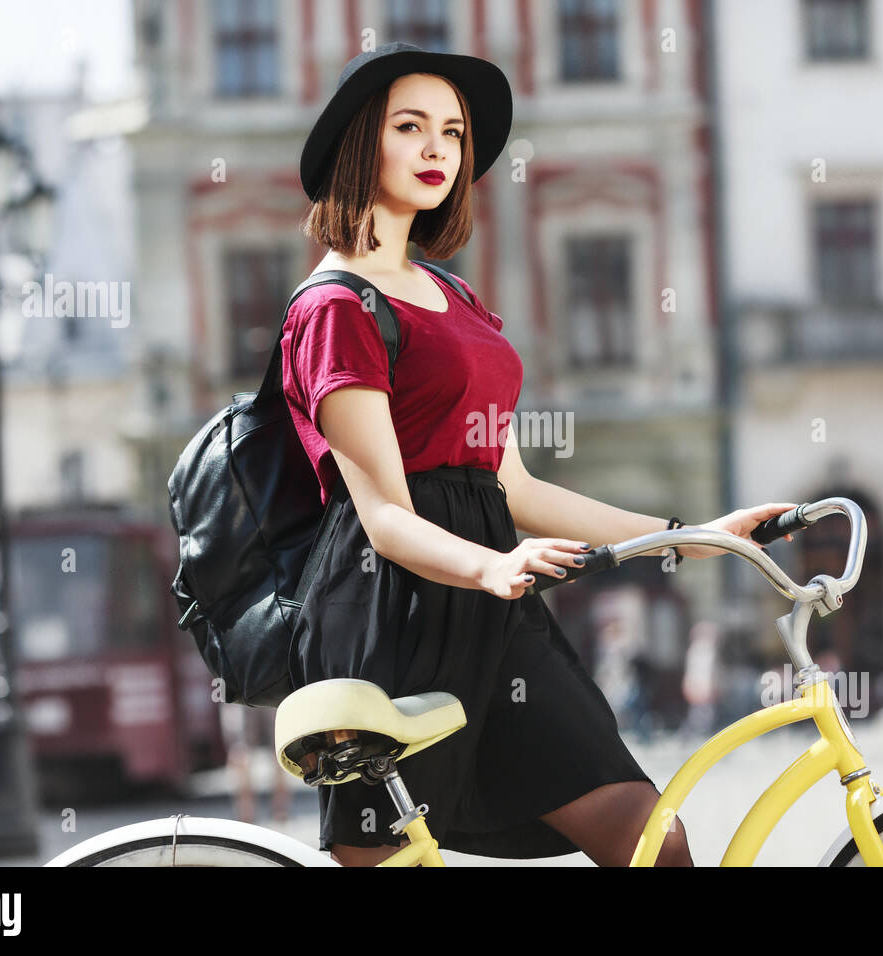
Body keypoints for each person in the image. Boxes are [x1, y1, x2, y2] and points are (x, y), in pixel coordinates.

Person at [283, 41, 796, 867]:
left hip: (496, 604)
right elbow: (380, 516)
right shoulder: (335, 306)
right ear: (358, 143)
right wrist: (488, 566)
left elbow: (511, 484)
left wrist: (693, 533)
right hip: (391, 614)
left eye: (451, 134)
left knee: (651, 841)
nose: (437, 150)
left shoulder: (453, 294)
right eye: (409, 127)